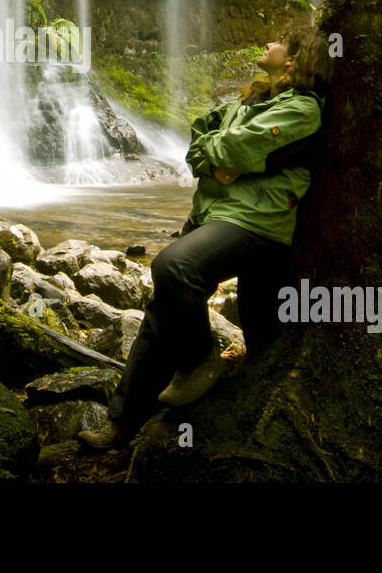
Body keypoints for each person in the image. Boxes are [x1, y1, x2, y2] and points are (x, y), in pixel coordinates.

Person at [78, 27, 334, 449]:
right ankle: (122, 423)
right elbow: (199, 139)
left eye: (278, 41)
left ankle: (200, 360)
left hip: (257, 221)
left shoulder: (303, 108)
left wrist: (223, 154)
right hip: (211, 212)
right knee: (162, 312)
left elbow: (237, 148)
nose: (267, 42)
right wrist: (216, 158)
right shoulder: (250, 100)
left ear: (293, 59)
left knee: (173, 266)